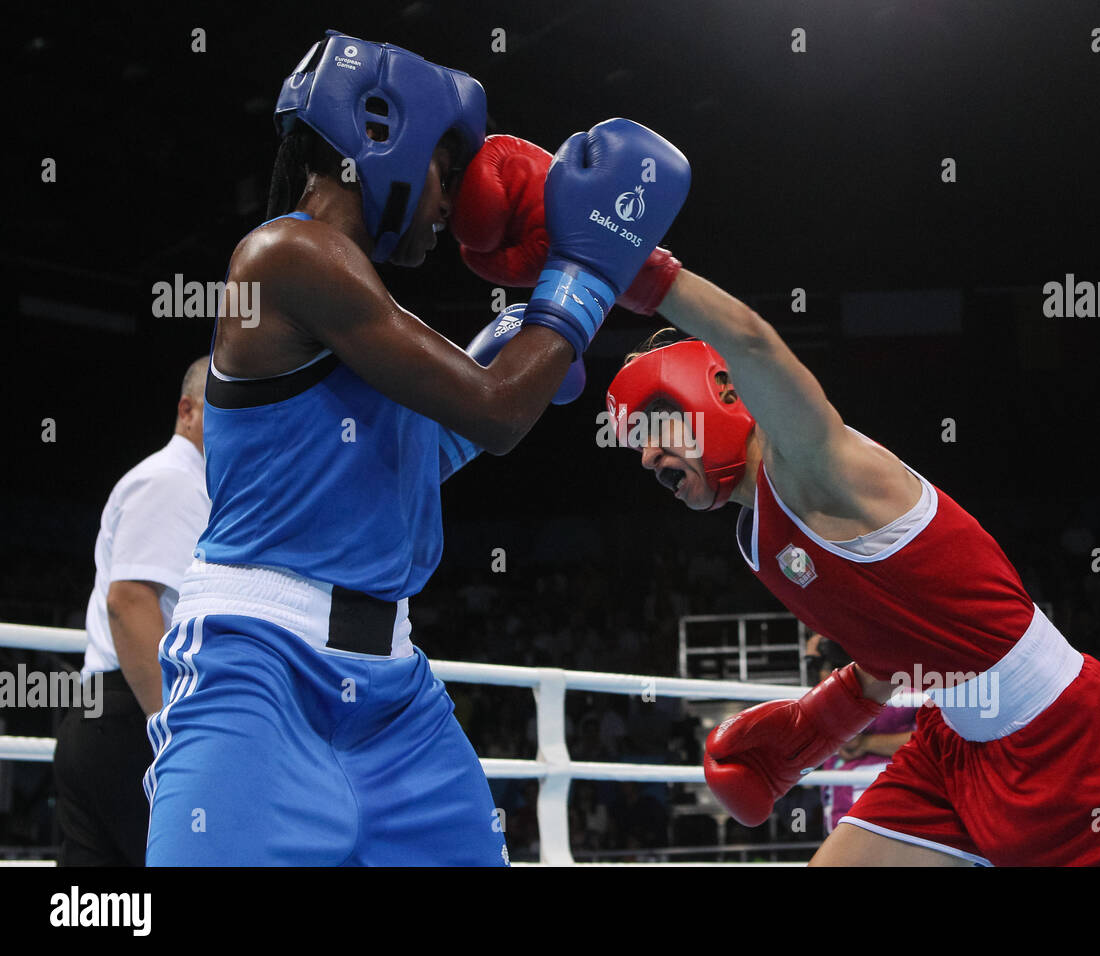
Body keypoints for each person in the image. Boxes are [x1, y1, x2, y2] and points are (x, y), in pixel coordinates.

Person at [447, 139, 1100, 865]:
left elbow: (751, 342)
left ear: (717, 394)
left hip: (1061, 739)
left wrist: (631, 267)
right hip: (952, 748)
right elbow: (896, 652)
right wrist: (819, 722)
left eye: (656, 422)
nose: (648, 453)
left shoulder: (820, 464)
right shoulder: (759, 535)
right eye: (634, 441)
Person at [143, 30, 689, 865]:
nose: (449, 198)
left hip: (393, 687)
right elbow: (498, 413)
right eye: (444, 167)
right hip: (258, 666)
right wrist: (583, 279)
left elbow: (429, 451)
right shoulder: (287, 253)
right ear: (378, 134)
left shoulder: (359, 304)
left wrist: (518, 342)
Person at [53, 356, 210, 866]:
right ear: (187, 411)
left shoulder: (189, 486)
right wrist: (172, 729)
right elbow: (129, 602)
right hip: (132, 713)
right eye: (223, 406)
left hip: (110, 715)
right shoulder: (173, 481)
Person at [804, 635, 916, 838]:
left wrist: (866, 743)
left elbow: (937, 738)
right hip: (843, 792)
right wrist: (815, 661)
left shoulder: (913, 684)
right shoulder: (831, 690)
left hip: (898, 786)